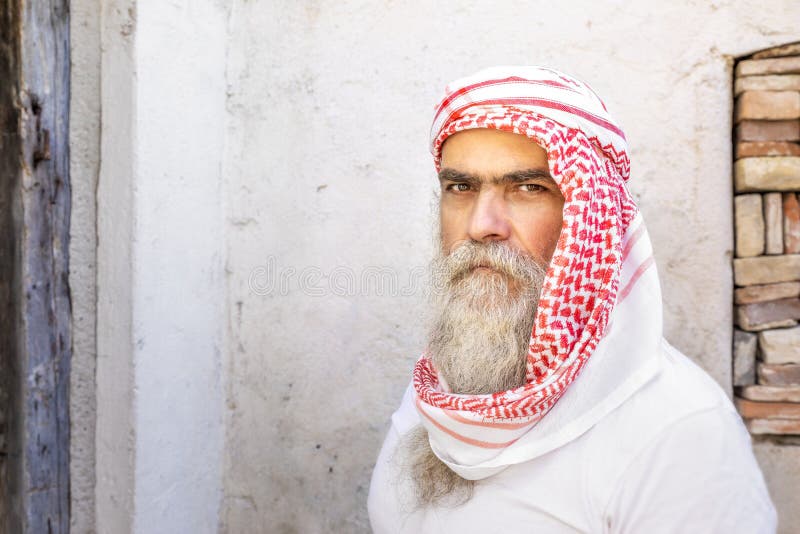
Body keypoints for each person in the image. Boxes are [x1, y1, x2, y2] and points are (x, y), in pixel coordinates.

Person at [367, 66, 776, 533]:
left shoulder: (681, 432)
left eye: (528, 188)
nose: (482, 224)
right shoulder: (436, 386)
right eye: (461, 188)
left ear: (590, 219)